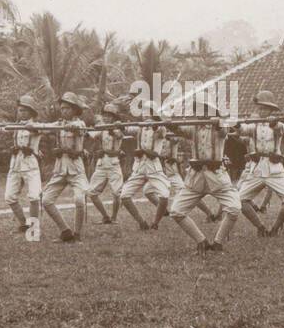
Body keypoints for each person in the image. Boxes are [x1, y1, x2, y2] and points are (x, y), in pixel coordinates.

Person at [169, 92, 242, 252]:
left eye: (204, 109)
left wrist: (217, 122)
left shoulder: (221, 126)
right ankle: (201, 242)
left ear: (212, 111)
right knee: (176, 211)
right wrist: (167, 122)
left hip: (217, 176)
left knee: (234, 208)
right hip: (195, 178)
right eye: (198, 110)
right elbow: (179, 130)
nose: (200, 113)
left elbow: (224, 130)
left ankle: (218, 243)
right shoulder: (193, 127)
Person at [235, 90, 284, 236]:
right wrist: (236, 124)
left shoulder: (279, 124)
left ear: (271, 110)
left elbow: (281, 129)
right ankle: (260, 227)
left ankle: (275, 228)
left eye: (265, 108)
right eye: (260, 108)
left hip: (274, 168)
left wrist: (274, 123)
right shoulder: (254, 124)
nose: (261, 111)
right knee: (240, 201)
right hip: (256, 169)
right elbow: (243, 130)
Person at [41, 91, 90, 242]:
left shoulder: (79, 123)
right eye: (62, 108)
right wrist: (31, 126)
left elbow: (78, 127)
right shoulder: (59, 124)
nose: (64, 111)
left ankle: (77, 234)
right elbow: (44, 127)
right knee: (46, 200)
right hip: (60, 169)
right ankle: (65, 231)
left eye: (67, 108)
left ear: (75, 110)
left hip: (76, 169)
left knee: (79, 200)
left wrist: (68, 126)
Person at [119, 102, 172, 231]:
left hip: (154, 168)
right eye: (143, 112)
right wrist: (119, 125)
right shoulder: (140, 127)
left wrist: (155, 125)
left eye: (148, 112)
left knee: (164, 196)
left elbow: (160, 130)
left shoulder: (160, 128)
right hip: (139, 167)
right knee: (124, 196)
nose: (145, 115)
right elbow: (127, 129)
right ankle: (141, 222)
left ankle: (155, 223)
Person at [4, 94, 45, 233]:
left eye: (25, 110)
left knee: (34, 196)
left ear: (31, 112)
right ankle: (23, 223)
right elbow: (2, 128)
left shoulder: (37, 125)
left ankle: (34, 228)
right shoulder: (15, 125)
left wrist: (31, 127)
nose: (22, 113)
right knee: (9, 197)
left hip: (30, 165)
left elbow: (41, 130)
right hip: (15, 164)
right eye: (20, 110)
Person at [86, 101, 127, 224]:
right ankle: (105, 216)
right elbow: (90, 135)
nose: (107, 118)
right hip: (102, 163)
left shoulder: (118, 128)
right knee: (92, 193)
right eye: (105, 115)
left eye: (110, 116)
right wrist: (83, 130)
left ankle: (114, 217)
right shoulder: (102, 128)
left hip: (114, 163)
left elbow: (119, 135)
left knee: (116, 193)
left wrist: (112, 128)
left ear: (114, 117)